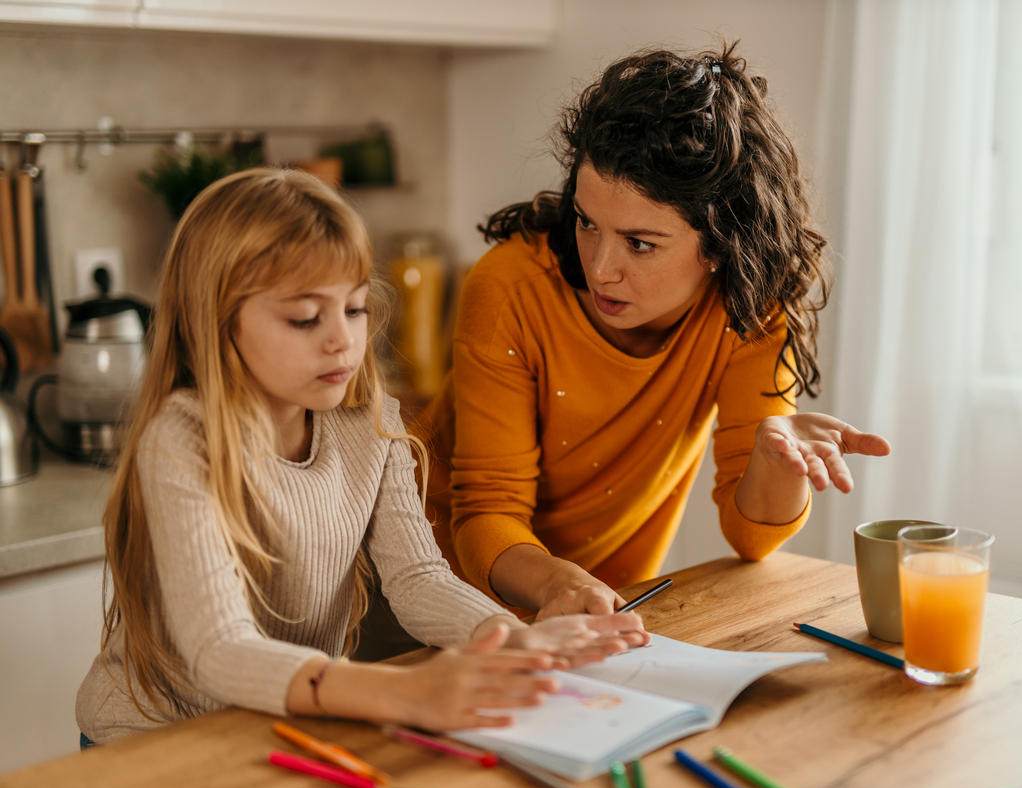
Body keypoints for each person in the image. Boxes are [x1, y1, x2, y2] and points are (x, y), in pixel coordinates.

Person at [75, 168, 647, 746]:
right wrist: (403, 693)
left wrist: (505, 637)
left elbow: (418, 578)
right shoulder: (183, 441)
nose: (342, 340)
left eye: (353, 309)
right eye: (305, 318)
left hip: (270, 728)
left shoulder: (366, 417)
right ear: (217, 321)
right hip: (148, 741)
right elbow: (220, 650)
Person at [419, 41, 891, 619]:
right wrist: (560, 587)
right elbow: (485, 510)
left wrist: (773, 462)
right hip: (433, 589)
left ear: (721, 243)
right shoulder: (510, 289)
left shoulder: (748, 309)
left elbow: (753, 539)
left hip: (599, 609)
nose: (599, 268)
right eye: (587, 223)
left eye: (640, 244)